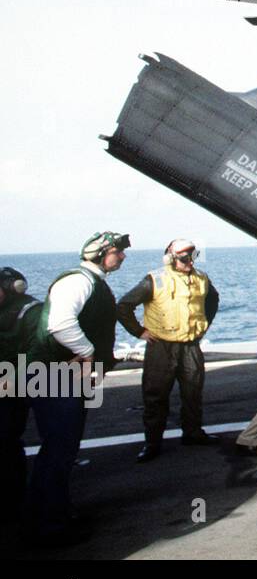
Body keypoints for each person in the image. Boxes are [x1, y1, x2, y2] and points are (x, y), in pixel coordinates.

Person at [22, 232, 130, 543]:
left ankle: (45, 517)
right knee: (59, 450)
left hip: (59, 374)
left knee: (58, 449)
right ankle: (50, 528)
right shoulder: (79, 281)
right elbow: (60, 324)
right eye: (117, 251)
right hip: (56, 374)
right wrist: (88, 353)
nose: (122, 256)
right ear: (100, 253)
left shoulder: (89, 281)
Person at [115, 238, 221, 462]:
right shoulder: (155, 280)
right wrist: (139, 332)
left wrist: (203, 326)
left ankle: (193, 433)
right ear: (171, 258)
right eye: (185, 258)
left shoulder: (201, 279)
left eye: (193, 257)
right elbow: (124, 306)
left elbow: (213, 300)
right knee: (155, 396)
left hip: (190, 346)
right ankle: (152, 443)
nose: (190, 262)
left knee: (193, 393)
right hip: (160, 347)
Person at [0, 267, 40, 523]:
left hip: (12, 386)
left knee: (6, 442)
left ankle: (13, 501)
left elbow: (37, 351)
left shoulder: (31, 311)